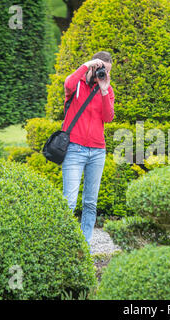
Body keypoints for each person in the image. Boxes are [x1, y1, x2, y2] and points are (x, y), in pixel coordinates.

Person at [61, 51, 114, 249]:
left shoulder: (107, 90)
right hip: (74, 149)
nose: (104, 75)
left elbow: (108, 117)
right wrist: (86, 65)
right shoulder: (77, 85)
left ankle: (84, 246)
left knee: (90, 203)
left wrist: (104, 90)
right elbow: (67, 84)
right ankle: (65, 244)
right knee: (69, 201)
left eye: (107, 72)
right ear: (94, 67)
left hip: (97, 151)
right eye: (101, 70)